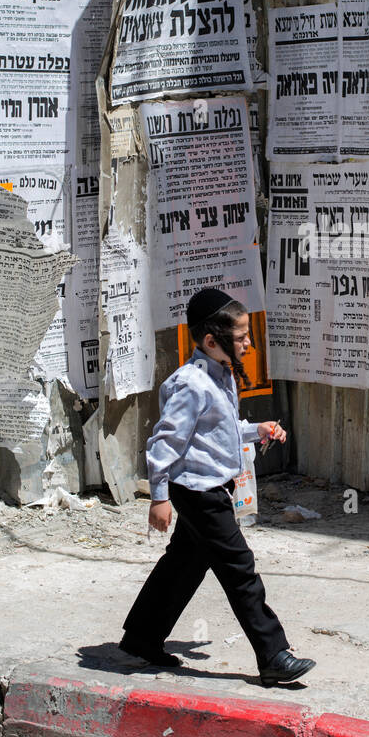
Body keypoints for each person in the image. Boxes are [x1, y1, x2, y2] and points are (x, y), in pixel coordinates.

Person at [119, 286, 316, 688]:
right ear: (212, 341)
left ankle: (141, 638)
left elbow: (217, 431)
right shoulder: (190, 384)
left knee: (184, 565)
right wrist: (158, 497)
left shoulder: (221, 374)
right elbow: (164, 444)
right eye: (241, 336)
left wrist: (254, 430)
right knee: (239, 568)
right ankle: (273, 654)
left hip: (210, 487)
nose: (248, 342)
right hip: (198, 492)